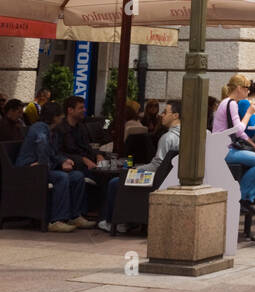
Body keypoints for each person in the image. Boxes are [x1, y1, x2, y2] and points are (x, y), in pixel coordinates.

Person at [98, 99, 182, 233]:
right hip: (169, 181)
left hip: (155, 181)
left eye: (165, 112)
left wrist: (136, 169)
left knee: (115, 182)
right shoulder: (187, 136)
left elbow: (157, 164)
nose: (162, 115)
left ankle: (111, 221)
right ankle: (127, 222)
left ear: (175, 116)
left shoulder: (168, 138)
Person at [15, 101, 95, 232]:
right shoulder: (39, 127)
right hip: (28, 168)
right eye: (60, 115)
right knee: (61, 177)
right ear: (55, 117)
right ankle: (56, 219)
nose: (62, 118)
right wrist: (43, 163)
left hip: (43, 168)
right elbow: (41, 144)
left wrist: (64, 160)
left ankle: (75, 215)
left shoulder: (52, 131)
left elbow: (54, 153)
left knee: (77, 176)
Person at [212, 75, 255, 212]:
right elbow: (239, 128)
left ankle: (247, 197)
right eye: (246, 89)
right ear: (239, 88)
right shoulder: (231, 103)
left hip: (228, 148)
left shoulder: (229, 103)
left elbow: (239, 133)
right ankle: (242, 197)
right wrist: (249, 113)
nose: (247, 92)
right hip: (224, 150)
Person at [57, 96, 99, 172]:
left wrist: (98, 155)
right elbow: (59, 153)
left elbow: (87, 147)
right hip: (72, 167)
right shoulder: (59, 129)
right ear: (70, 110)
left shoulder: (81, 127)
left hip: (88, 165)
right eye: (81, 108)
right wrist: (82, 159)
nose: (84, 110)